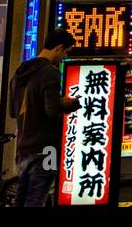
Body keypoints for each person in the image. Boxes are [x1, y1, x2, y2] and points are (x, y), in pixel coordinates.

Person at [11, 28, 82, 206]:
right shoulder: (50, 73)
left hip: (24, 146)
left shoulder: (20, 72)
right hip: (46, 148)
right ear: (58, 48)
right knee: (37, 198)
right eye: (66, 52)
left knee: (22, 198)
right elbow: (52, 109)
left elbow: (13, 111)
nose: (65, 57)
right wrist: (70, 103)